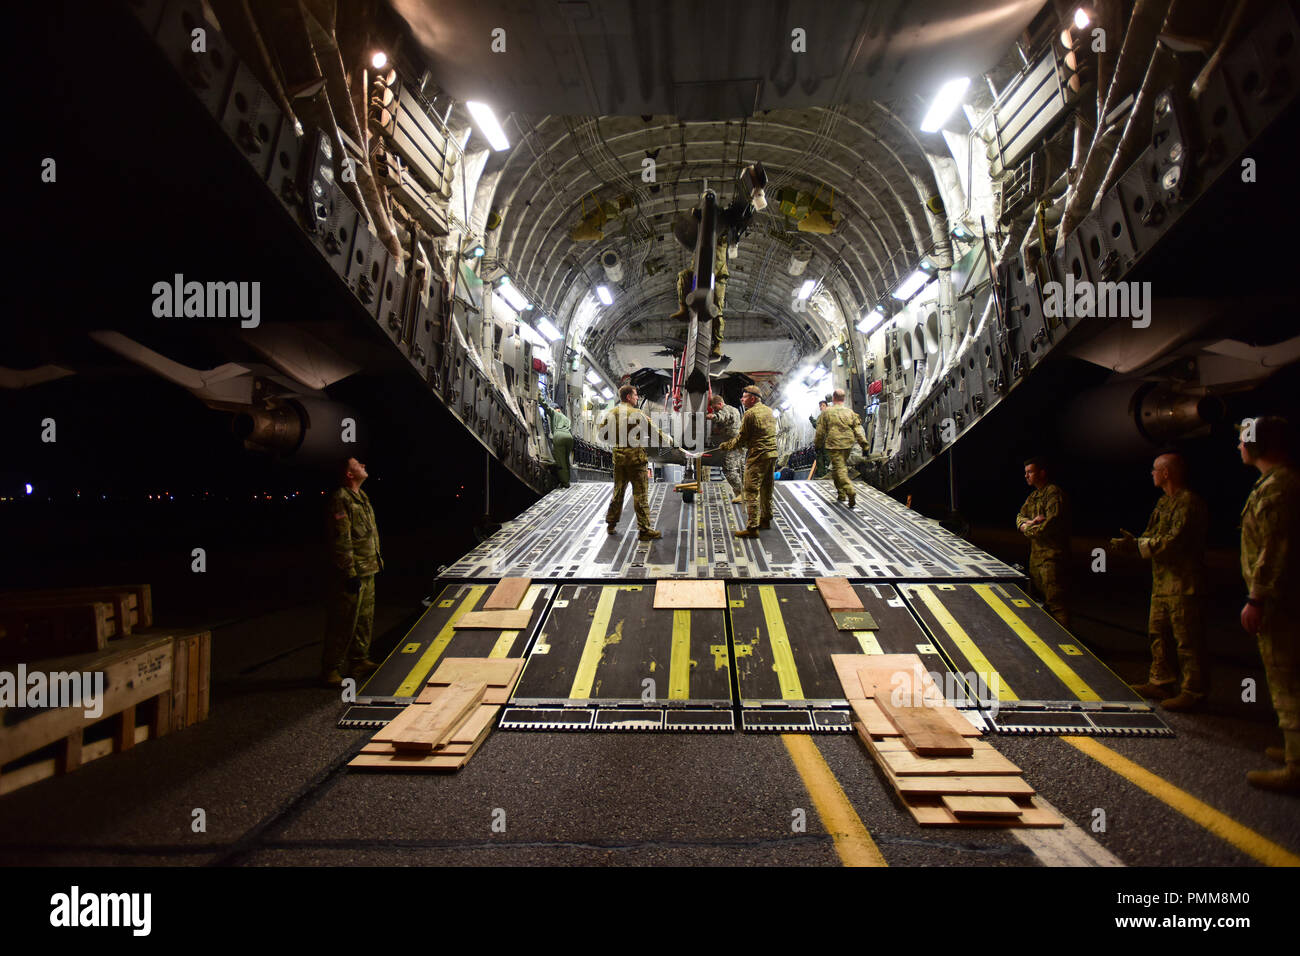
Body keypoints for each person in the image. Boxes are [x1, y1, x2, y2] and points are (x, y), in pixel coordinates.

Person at [1112, 454, 1209, 711]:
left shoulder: (1188, 504)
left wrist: (1138, 546)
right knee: (1159, 634)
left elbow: (1173, 542)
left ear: (1166, 473)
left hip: (1183, 584)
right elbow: (1153, 536)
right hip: (1163, 583)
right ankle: (1161, 681)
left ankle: (1194, 691)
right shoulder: (1164, 503)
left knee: (1187, 639)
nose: (1151, 473)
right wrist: (1133, 544)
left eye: (1155, 469)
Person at [1237, 416, 1300, 793]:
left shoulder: (1278, 489)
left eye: (1244, 441)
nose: (1238, 447)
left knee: (1287, 681)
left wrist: (1256, 598)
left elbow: (1274, 551)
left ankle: (1296, 768)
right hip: (1286, 598)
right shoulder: (1281, 482)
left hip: (1281, 602)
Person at [322, 457, 383, 687]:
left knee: (364, 620)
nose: (364, 465)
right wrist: (349, 573)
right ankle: (331, 669)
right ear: (350, 474)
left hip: (368, 568)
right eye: (359, 464)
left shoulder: (361, 497)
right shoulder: (341, 499)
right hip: (353, 572)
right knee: (343, 621)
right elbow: (341, 539)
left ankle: (359, 660)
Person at [597, 385, 672, 540]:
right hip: (636, 460)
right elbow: (654, 432)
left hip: (619, 459)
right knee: (640, 495)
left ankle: (611, 524)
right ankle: (644, 530)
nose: (637, 397)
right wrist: (669, 441)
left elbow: (602, 436)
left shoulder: (611, 414)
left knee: (618, 491)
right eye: (636, 395)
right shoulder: (637, 414)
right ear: (629, 397)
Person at [1015, 457, 1071, 627]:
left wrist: (1026, 528)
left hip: (1052, 559)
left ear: (1042, 473)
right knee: (1042, 602)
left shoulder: (1054, 494)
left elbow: (1050, 525)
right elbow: (1019, 518)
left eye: (1030, 472)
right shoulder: (1034, 497)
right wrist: (1029, 524)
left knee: (1056, 605)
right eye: (1025, 473)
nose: (1026, 476)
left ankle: (1067, 644)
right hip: (1037, 559)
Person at [718, 385, 777, 537]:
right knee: (766, 489)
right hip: (772, 454)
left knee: (751, 490)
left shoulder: (750, 414)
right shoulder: (769, 411)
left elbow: (741, 439)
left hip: (758, 455)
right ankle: (766, 519)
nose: (742, 400)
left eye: (744, 397)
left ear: (752, 398)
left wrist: (726, 445)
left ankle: (752, 528)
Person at [669, 235, 728, 358]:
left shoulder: (723, 234)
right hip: (698, 269)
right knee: (683, 275)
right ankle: (684, 309)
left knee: (717, 311)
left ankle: (717, 344)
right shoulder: (699, 235)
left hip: (718, 274)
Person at [815, 389, 869, 506]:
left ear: (833, 398)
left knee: (839, 469)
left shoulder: (826, 413)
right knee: (838, 468)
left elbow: (820, 432)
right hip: (848, 445)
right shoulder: (850, 412)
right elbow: (858, 430)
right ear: (843, 399)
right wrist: (864, 445)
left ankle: (850, 490)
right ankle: (841, 494)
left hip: (834, 445)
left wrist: (817, 445)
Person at [706, 394, 744, 502]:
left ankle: (741, 492)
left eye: (715, 408)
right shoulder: (734, 410)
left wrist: (712, 416)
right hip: (739, 443)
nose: (715, 410)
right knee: (741, 469)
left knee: (728, 468)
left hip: (735, 444)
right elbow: (728, 423)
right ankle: (742, 493)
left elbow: (722, 416)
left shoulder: (726, 409)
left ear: (720, 403)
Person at [547, 401, 573, 488]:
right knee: (566, 460)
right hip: (569, 437)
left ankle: (565, 483)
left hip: (559, 437)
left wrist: (539, 396)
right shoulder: (565, 418)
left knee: (561, 462)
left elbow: (546, 407)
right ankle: (567, 479)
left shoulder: (554, 413)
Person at [809, 399, 831, 479]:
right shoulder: (820, 416)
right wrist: (812, 420)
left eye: (823, 405)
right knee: (819, 459)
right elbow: (818, 427)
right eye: (820, 406)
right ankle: (821, 476)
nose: (821, 407)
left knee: (828, 458)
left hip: (827, 440)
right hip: (820, 441)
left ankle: (830, 475)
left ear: (827, 406)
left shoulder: (830, 414)